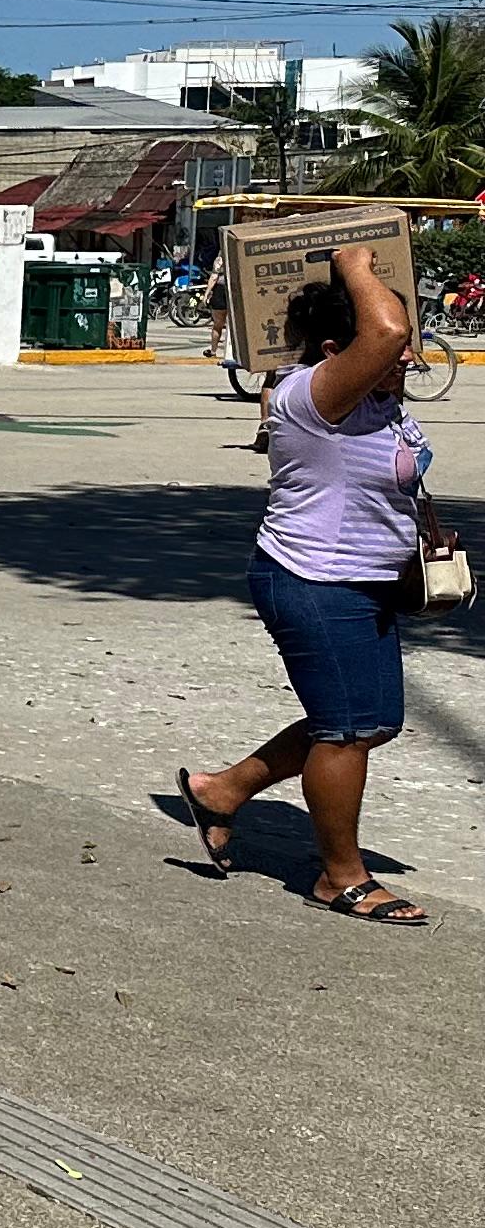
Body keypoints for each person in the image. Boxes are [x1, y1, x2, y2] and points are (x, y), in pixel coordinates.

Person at [178, 242, 453, 923]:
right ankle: (340, 876)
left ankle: (223, 791)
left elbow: (397, 470)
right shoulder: (311, 397)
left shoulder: (377, 401)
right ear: (337, 349)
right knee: (347, 729)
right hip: (313, 580)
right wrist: (358, 261)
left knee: (373, 722)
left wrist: (430, 532)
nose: (407, 358)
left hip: (368, 580)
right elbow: (383, 330)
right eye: (397, 351)